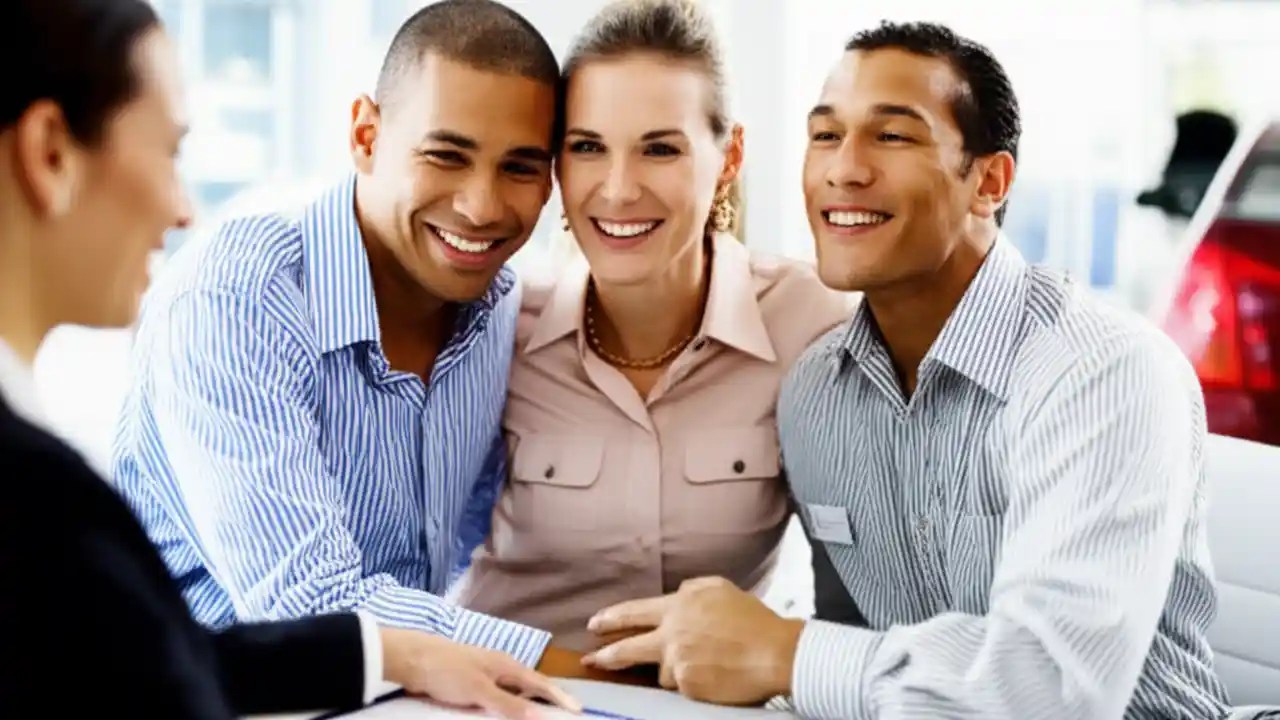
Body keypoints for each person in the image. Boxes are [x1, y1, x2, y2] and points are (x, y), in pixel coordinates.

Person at [579, 21, 1231, 720]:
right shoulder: (816, 395)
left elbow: (1053, 694)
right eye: (825, 135)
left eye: (892, 137)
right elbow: (853, 670)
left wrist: (784, 651)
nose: (843, 169)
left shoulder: (1100, 373)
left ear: (990, 181)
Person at [0, 1, 579, 718]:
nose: (481, 205)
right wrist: (583, 667)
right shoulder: (237, 292)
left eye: (521, 167)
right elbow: (308, 604)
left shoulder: (501, 307)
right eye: (445, 154)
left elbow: (467, 552)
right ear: (365, 134)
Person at [447, 0, 852, 653]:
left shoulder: (809, 322)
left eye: (660, 149)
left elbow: (861, 572)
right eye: (587, 148)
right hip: (503, 692)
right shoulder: (499, 328)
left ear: (729, 155)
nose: (618, 189)